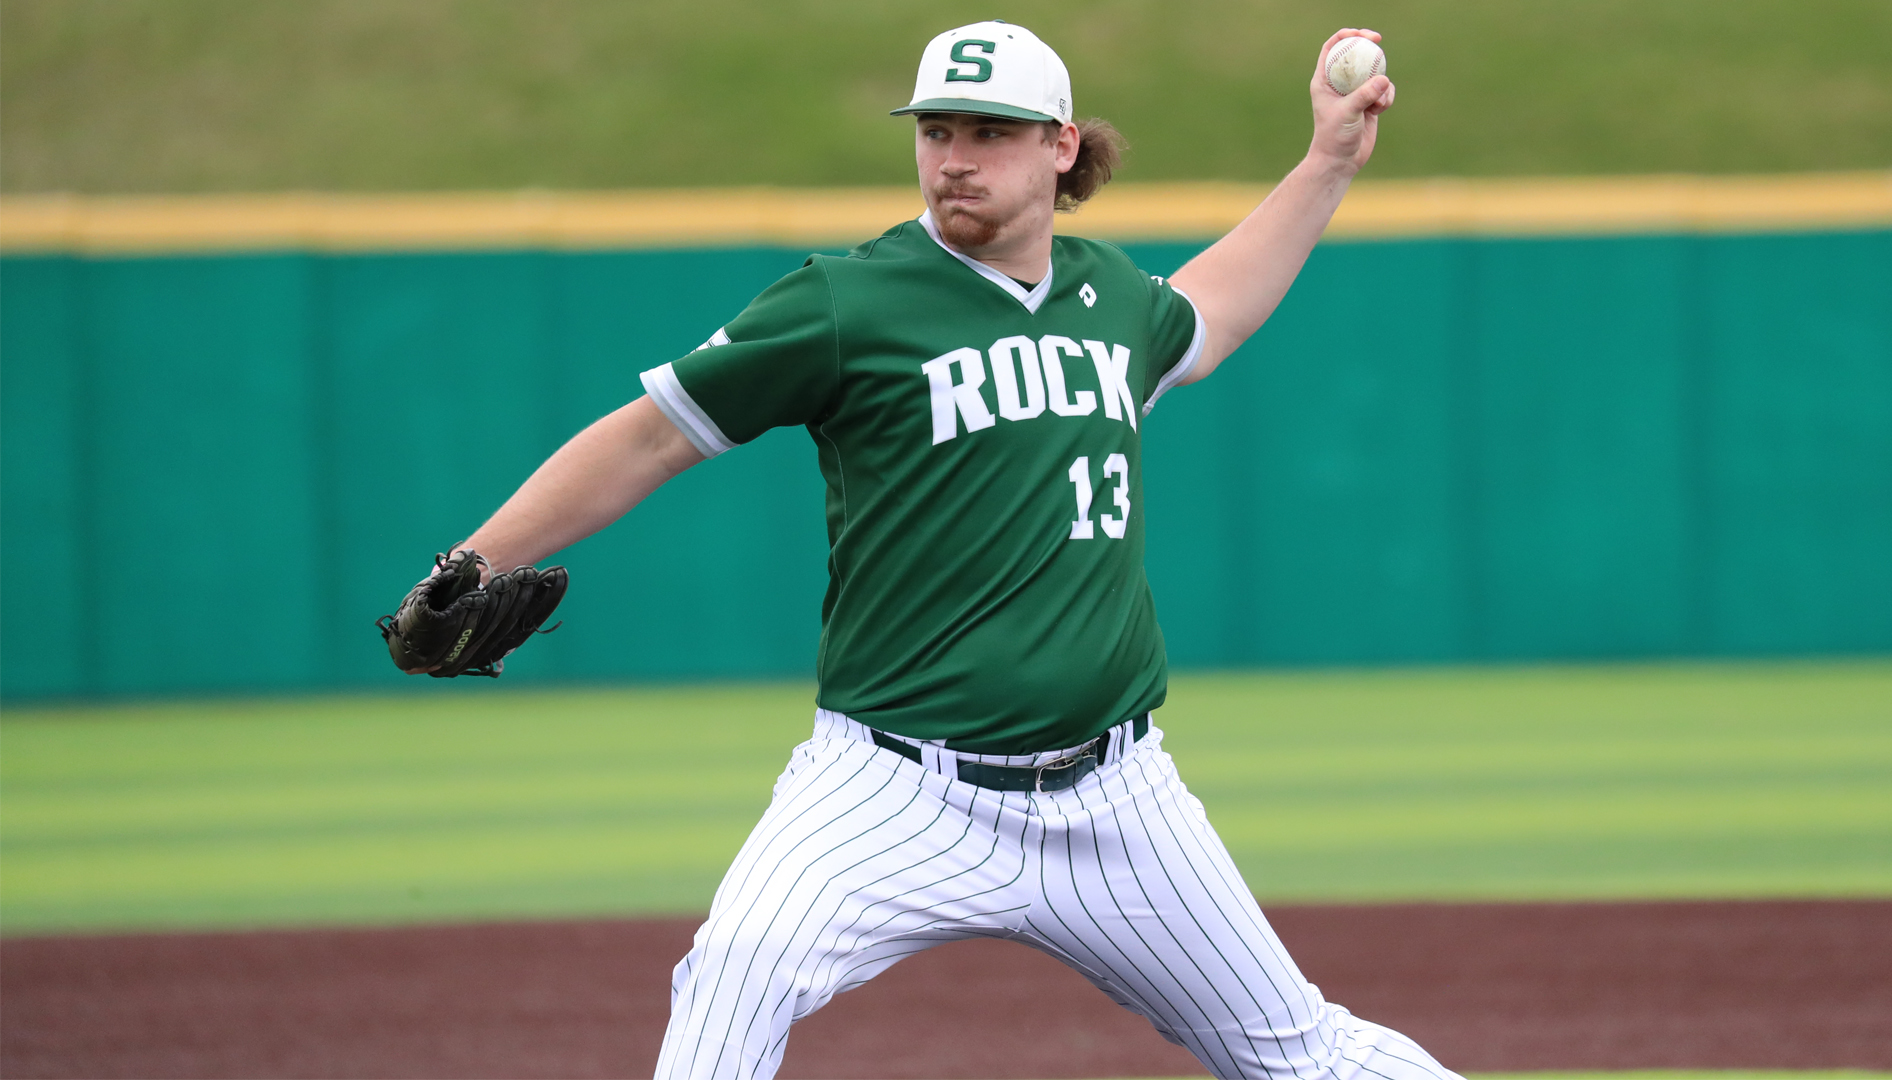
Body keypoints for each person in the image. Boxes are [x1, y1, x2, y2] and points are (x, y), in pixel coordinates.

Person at [435, 20, 1454, 1080]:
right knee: (731, 982)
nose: (955, 157)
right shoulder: (845, 302)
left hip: (1118, 797)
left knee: (1300, 1050)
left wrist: (1329, 160)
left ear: (1061, 147)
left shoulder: (1109, 302)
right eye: (936, 130)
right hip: (892, 790)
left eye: (990, 132)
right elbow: (650, 435)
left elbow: (1215, 310)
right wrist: (469, 564)